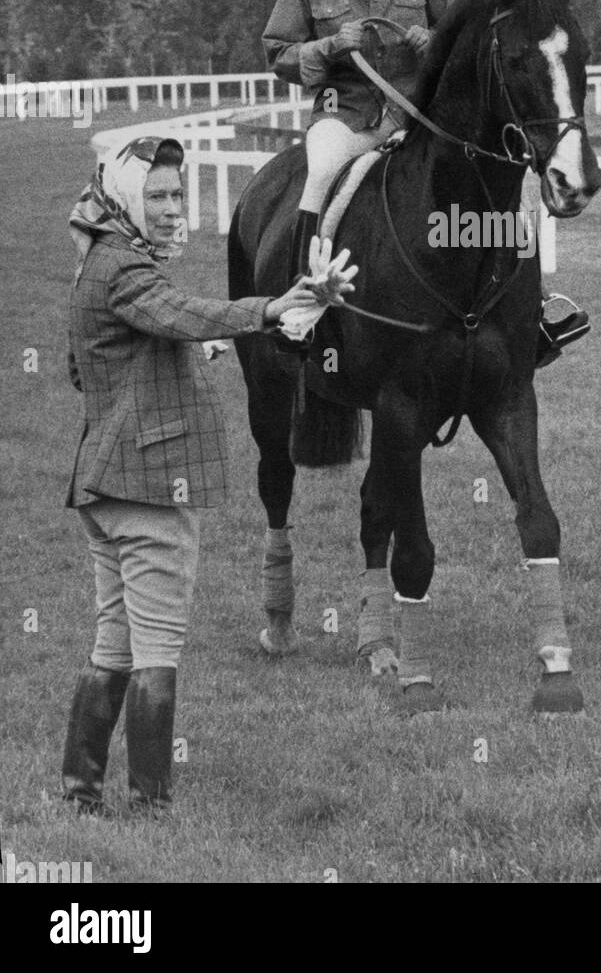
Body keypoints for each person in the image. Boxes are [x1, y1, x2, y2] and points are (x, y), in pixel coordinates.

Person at [62, 136, 351, 813]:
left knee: (115, 641)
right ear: (127, 196)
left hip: (102, 486)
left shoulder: (96, 262)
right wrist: (273, 307)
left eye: (176, 194)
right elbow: (181, 313)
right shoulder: (125, 269)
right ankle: (151, 804)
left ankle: (80, 791)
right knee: (157, 649)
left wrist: (179, 357)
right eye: (157, 195)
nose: (170, 209)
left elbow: (88, 367)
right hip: (148, 488)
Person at [263, 0, 589, 364]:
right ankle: (300, 307)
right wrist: (329, 46)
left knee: (511, 185)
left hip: (420, 116)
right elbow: (276, 52)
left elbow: (469, 38)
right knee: (321, 172)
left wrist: (429, 42)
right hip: (344, 112)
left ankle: (535, 309)